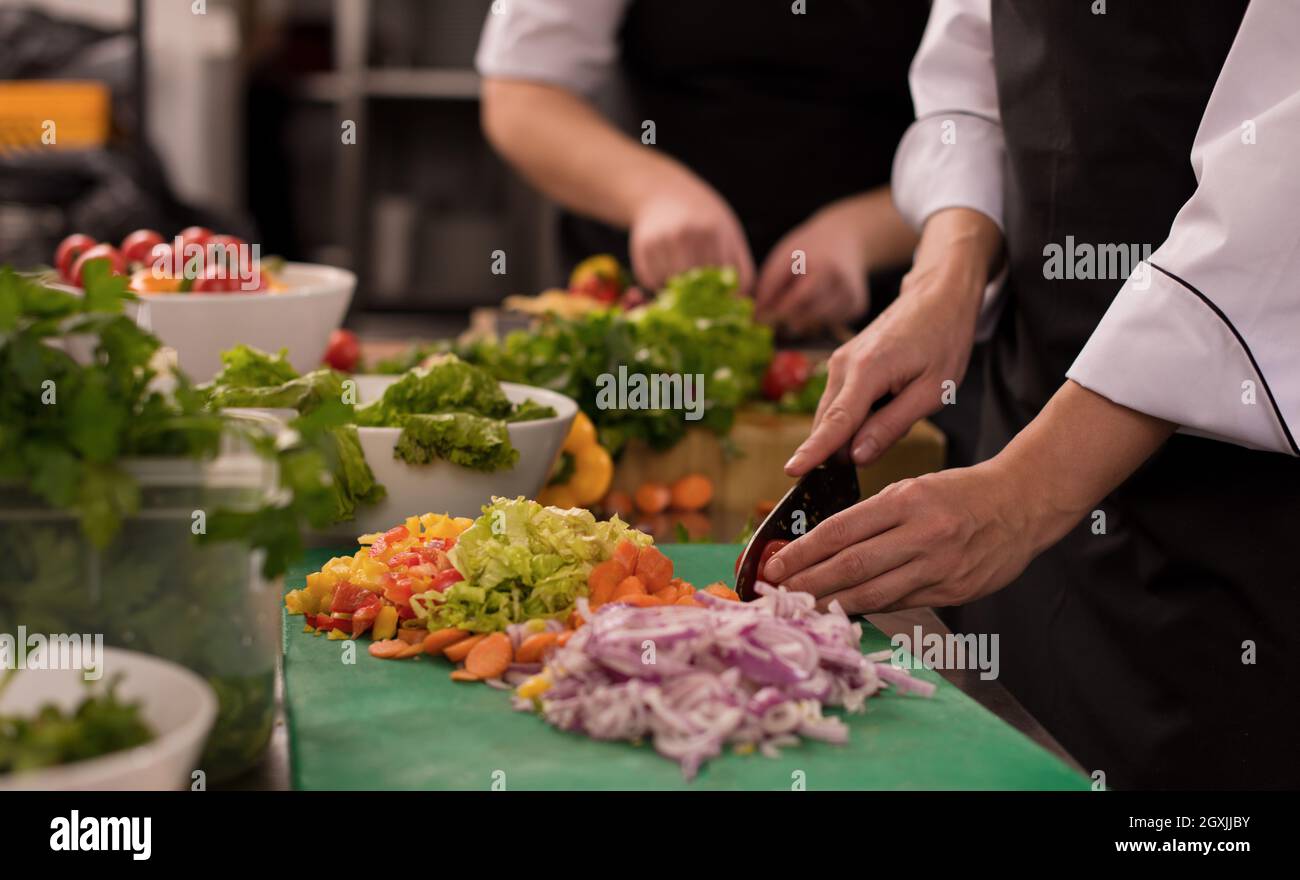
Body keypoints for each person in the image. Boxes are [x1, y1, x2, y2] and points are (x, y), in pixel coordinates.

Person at [767, 0, 1300, 789]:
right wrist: (944, 274)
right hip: (1021, 440)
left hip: (1243, 522)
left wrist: (1029, 490)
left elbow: (1278, 201)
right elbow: (977, 57)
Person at [474, 0, 927, 335]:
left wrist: (864, 234)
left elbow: (983, 137)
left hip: (893, 311)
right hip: (638, 319)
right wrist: (654, 194)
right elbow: (521, 95)